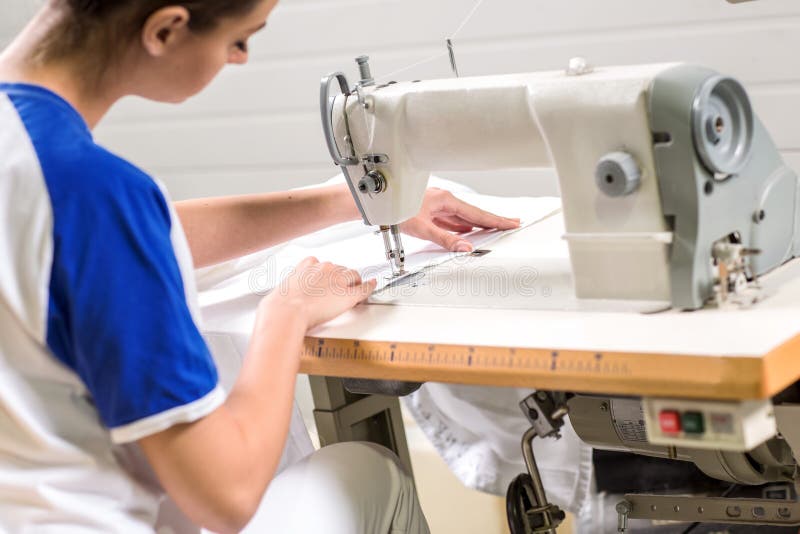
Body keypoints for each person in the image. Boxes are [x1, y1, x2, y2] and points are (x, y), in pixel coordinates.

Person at [0, 0, 520, 532]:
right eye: (240, 39)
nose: (242, 58)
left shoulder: (38, 163)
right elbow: (227, 496)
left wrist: (352, 200)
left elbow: (128, 232)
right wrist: (288, 312)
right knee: (368, 472)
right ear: (166, 29)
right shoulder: (93, 192)